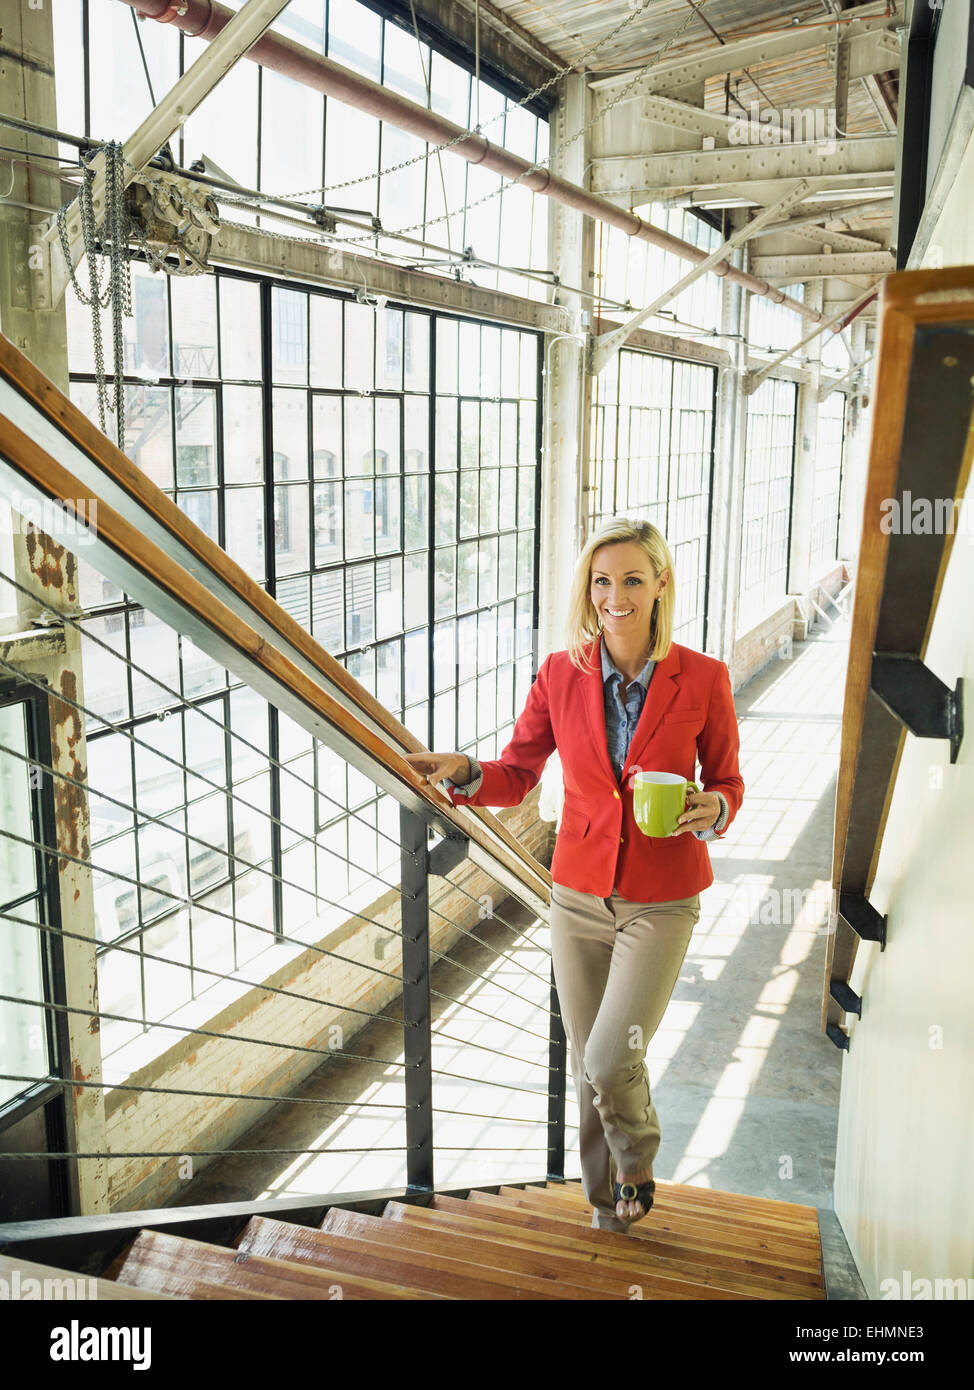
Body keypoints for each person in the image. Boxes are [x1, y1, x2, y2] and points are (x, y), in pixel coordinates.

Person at [404, 517, 744, 1234]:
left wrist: (715, 806)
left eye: (630, 580)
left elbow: (729, 783)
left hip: (662, 897)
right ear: (588, 590)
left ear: (659, 586)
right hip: (578, 893)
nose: (614, 596)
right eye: (601, 581)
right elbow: (519, 770)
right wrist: (466, 772)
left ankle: (638, 1162)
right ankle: (605, 1213)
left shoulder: (704, 678)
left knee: (607, 1055)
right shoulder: (562, 672)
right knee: (590, 1067)